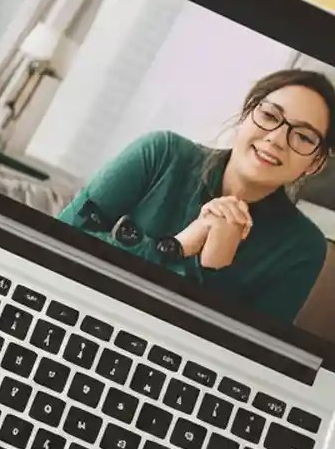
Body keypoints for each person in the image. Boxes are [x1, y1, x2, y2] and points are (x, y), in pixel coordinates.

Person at [55, 69, 335, 324]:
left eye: (303, 137)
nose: (276, 139)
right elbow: (58, 242)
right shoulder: (160, 153)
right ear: (246, 114)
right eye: (270, 116)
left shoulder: (304, 248)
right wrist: (176, 249)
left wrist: (213, 268)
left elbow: (245, 356)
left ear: (315, 164)